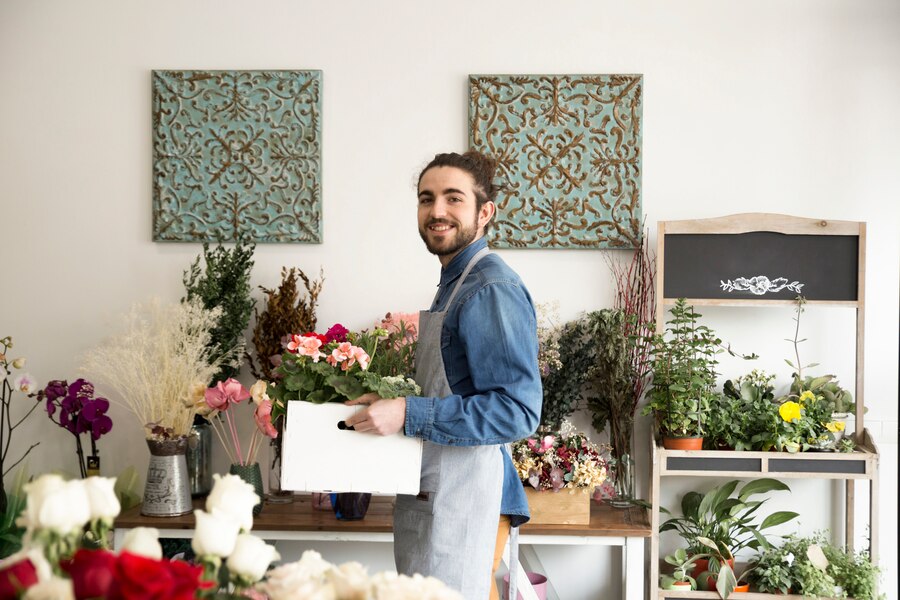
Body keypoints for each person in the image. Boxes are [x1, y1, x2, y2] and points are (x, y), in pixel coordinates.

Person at [344, 150, 543, 599]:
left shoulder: (490, 287)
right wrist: (388, 406)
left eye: (454, 198)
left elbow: (517, 412)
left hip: (465, 498)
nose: (437, 211)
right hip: (441, 495)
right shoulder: (454, 283)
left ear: (485, 211)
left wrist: (409, 413)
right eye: (426, 198)